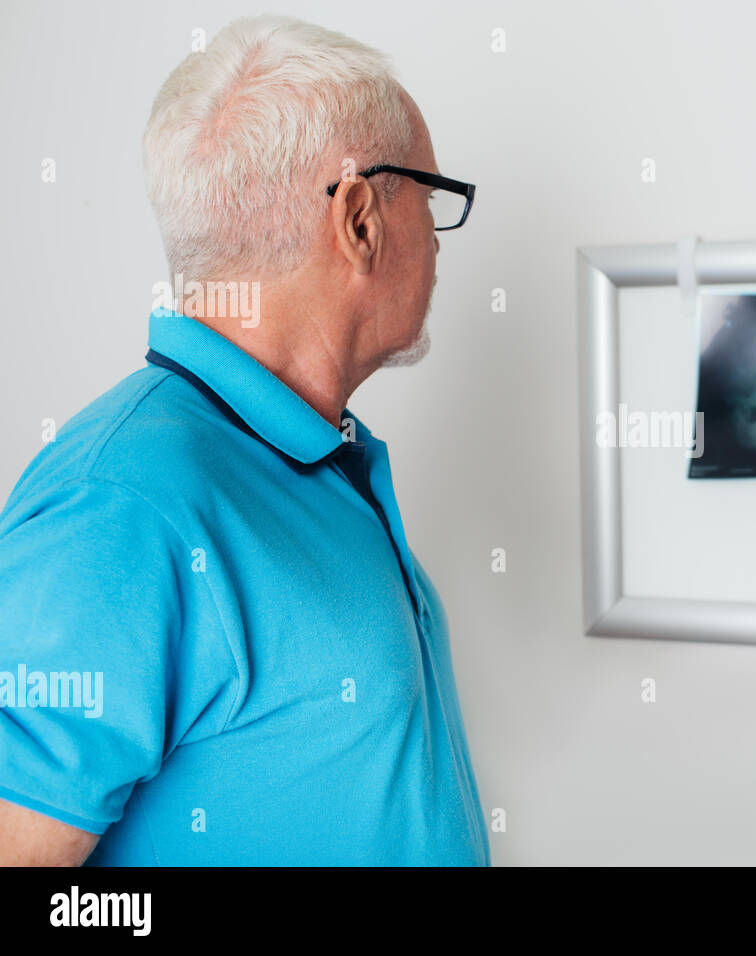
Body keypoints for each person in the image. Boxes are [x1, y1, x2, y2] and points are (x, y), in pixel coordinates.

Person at [0, 15, 489, 865]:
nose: (438, 247)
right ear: (361, 220)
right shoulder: (118, 502)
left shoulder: (321, 455)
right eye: (430, 198)